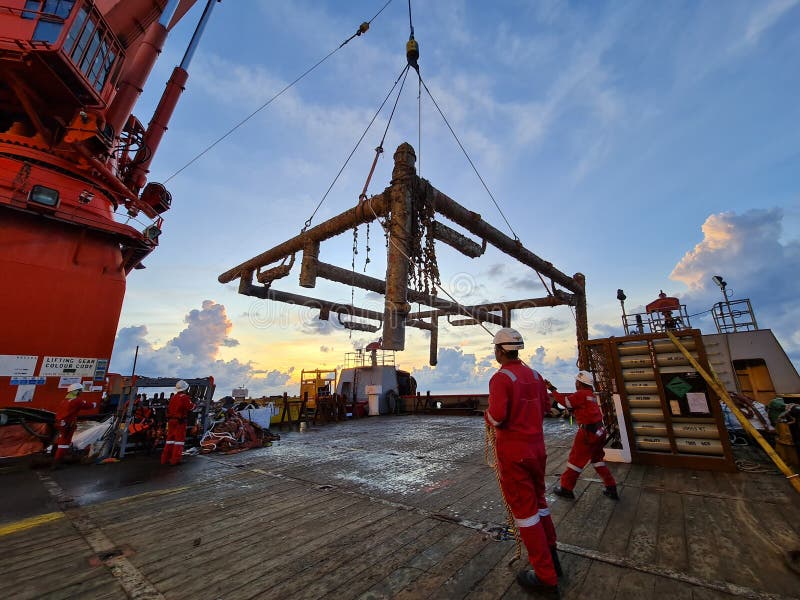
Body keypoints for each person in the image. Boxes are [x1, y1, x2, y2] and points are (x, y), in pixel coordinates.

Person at [485, 328, 560, 596]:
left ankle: (546, 576)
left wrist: (488, 418)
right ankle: (554, 560)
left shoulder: (500, 379)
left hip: (514, 455)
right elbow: (545, 407)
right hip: (537, 451)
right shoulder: (536, 376)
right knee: (540, 505)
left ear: (499, 351)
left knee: (526, 516)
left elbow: (497, 416)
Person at [547, 371, 619, 500]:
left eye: (576, 381)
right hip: (599, 431)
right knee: (598, 461)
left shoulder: (581, 394)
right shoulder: (590, 395)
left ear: (580, 383)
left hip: (588, 433)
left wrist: (551, 388)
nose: (575, 383)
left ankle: (566, 489)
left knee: (575, 461)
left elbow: (566, 402)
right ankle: (611, 487)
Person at [52, 383, 96, 468]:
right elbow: (87, 405)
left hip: (60, 423)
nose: (81, 393)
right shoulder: (76, 401)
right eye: (80, 391)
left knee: (61, 440)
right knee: (64, 443)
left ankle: (55, 456)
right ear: (76, 392)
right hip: (68, 425)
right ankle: (57, 463)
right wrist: (95, 404)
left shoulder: (64, 400)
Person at [161, 380, 195, 465]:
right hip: (180, 422)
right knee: (179, 441)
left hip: (171, 421)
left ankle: (164, 459)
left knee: (170, 440)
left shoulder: (173, 397)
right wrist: (195, 404)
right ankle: (175, 460)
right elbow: (191, 407)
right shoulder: (185, 397)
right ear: (185, 389)